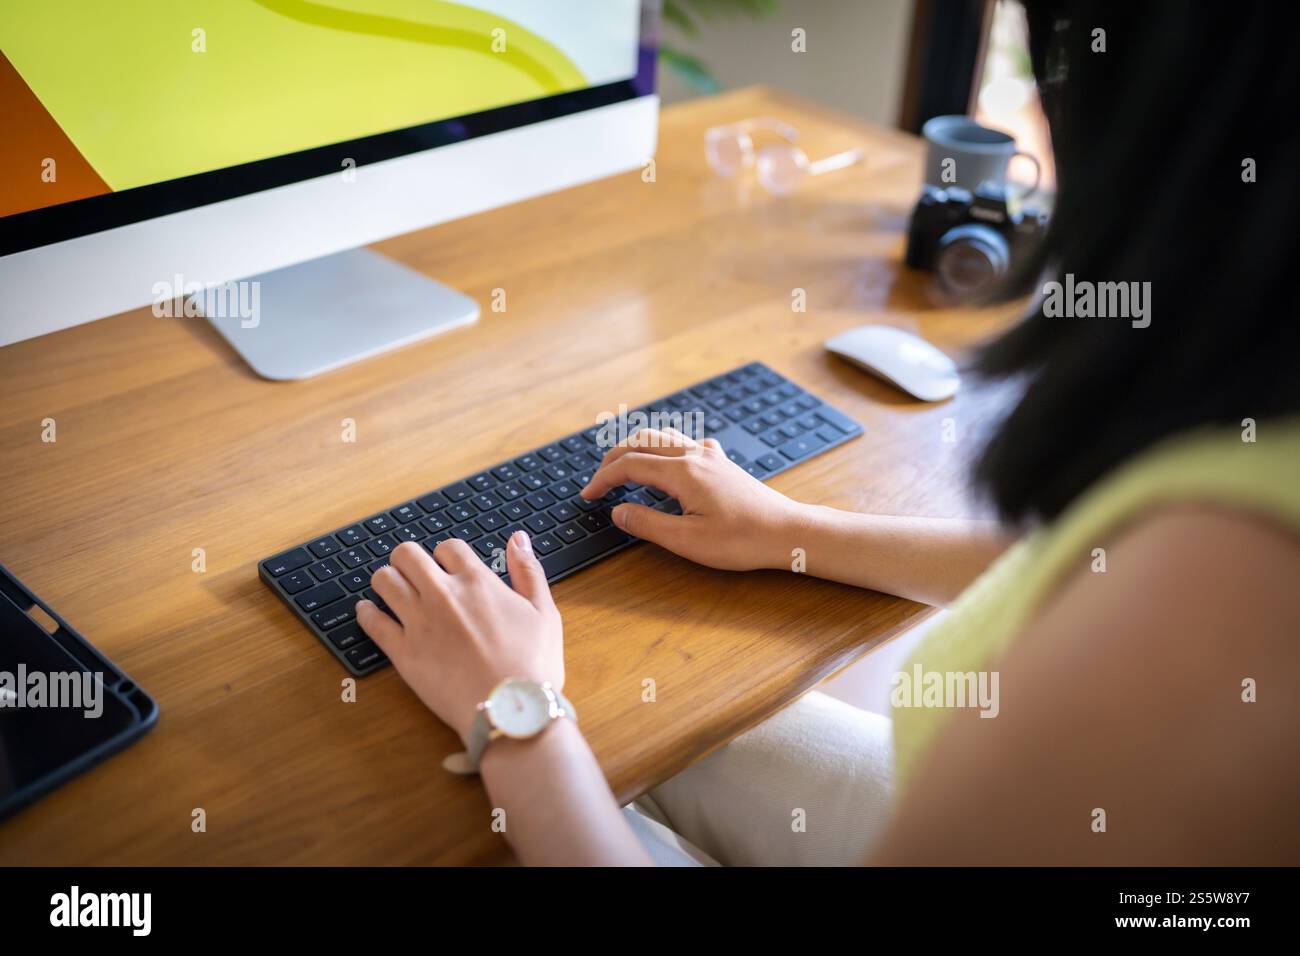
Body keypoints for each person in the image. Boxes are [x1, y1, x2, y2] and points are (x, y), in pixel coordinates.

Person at [353, 1, 1300, 866]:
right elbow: (1083, 564)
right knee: (636, 725)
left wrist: (515, 718)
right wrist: (788, 532)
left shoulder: (1239, 593)